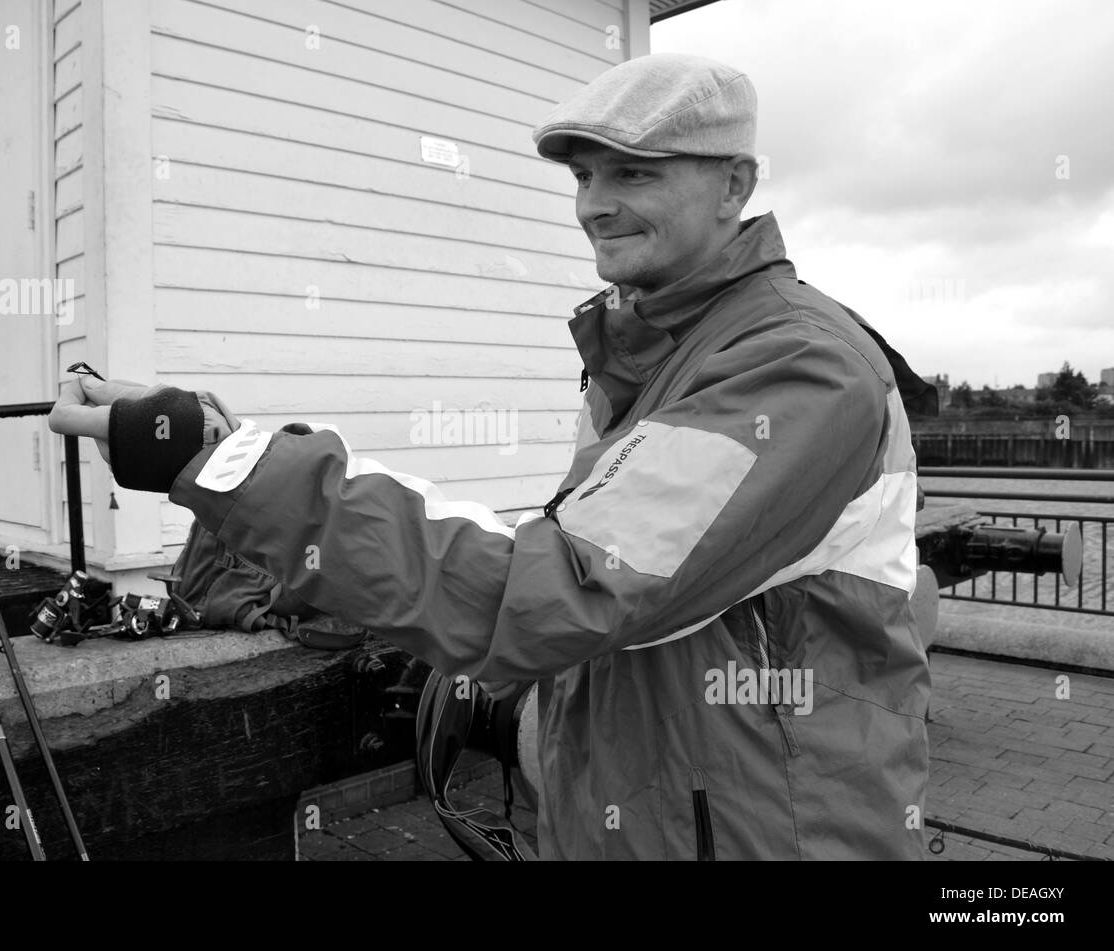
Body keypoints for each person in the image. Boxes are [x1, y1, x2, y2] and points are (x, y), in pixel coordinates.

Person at [49, 53, 938, 860]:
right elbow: (603, 581)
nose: (595, 202)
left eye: (634, 171)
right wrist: (213, 436)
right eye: (586, 174)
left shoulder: (799, 368)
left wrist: (212, 457)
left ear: (734, 184)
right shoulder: (657, 354)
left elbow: (552, 590)